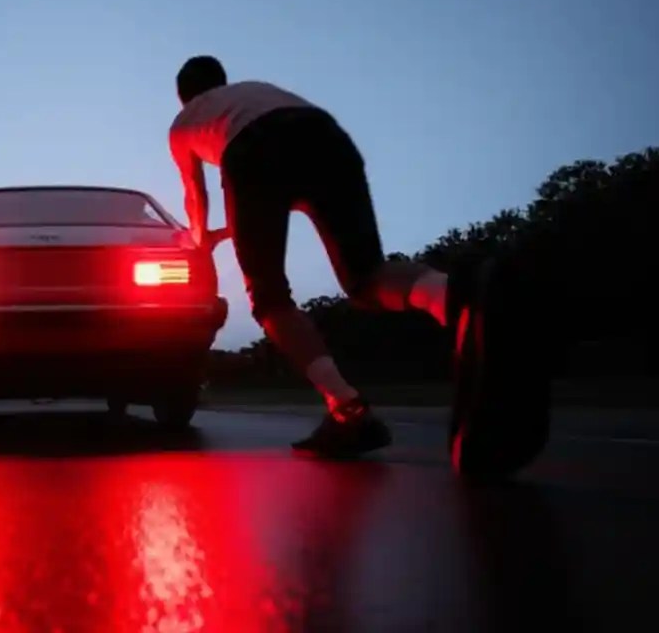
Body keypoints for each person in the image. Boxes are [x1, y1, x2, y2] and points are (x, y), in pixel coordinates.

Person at [167, 55, 549, 478]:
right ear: (222, 81)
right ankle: (460, 297)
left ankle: (348, 411)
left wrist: (201, 241)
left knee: (269, 296)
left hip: (252, 149)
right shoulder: (254, 90)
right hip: (324, 135)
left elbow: (195, 197)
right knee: (367, 275)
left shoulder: (186, 122)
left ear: (183, 96)